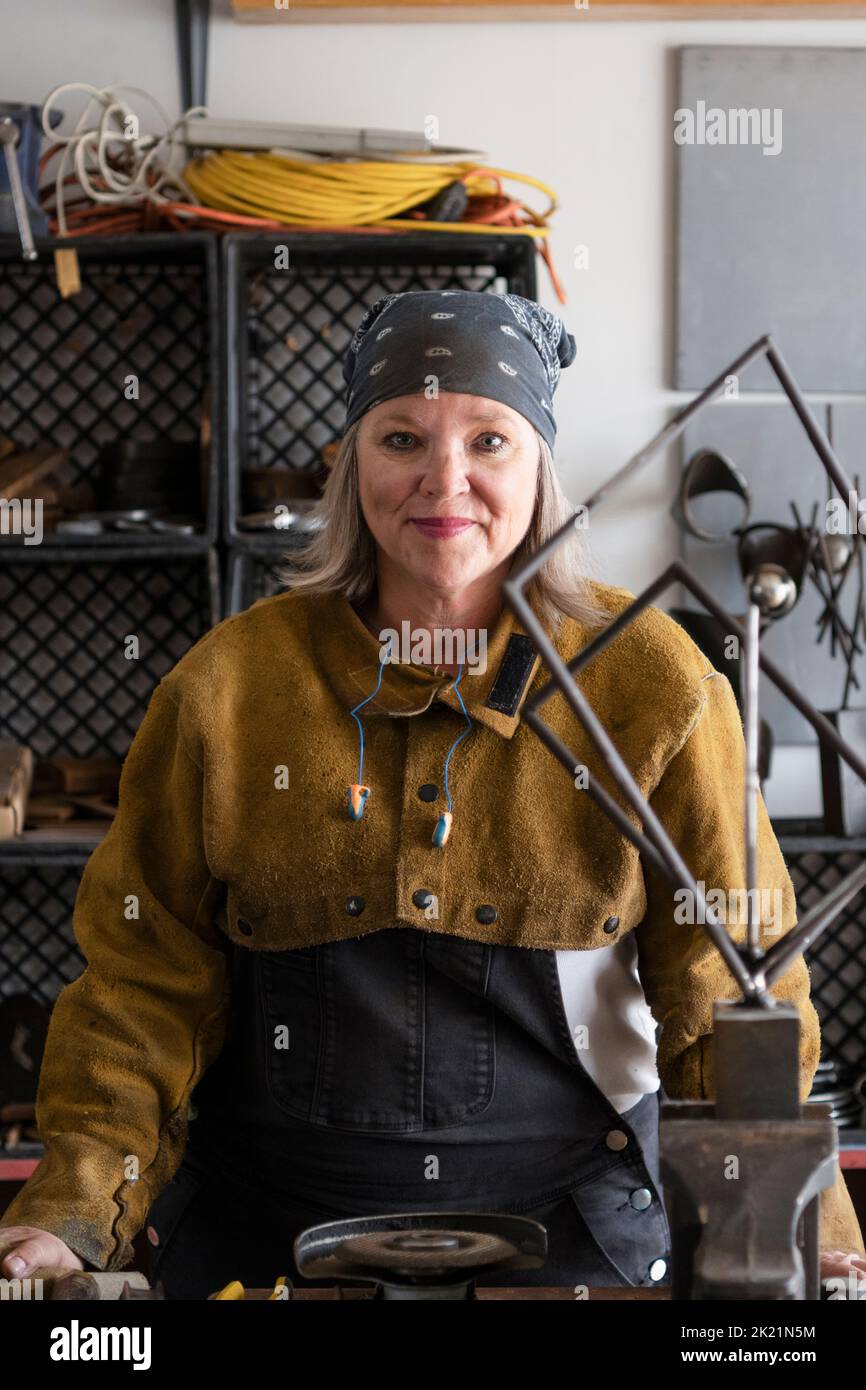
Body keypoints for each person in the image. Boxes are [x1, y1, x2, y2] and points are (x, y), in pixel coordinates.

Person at [1, 290, 863, 1299]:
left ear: (538, 466)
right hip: (266, 1245)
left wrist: (793, 1235)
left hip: (571, 1245)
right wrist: (70, 1213)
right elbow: (139, 989)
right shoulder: (224, 690)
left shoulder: (655, 685)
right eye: (401, 436)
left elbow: (729, 1001)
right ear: (351, 462)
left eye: (488, 439)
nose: (441, 480)